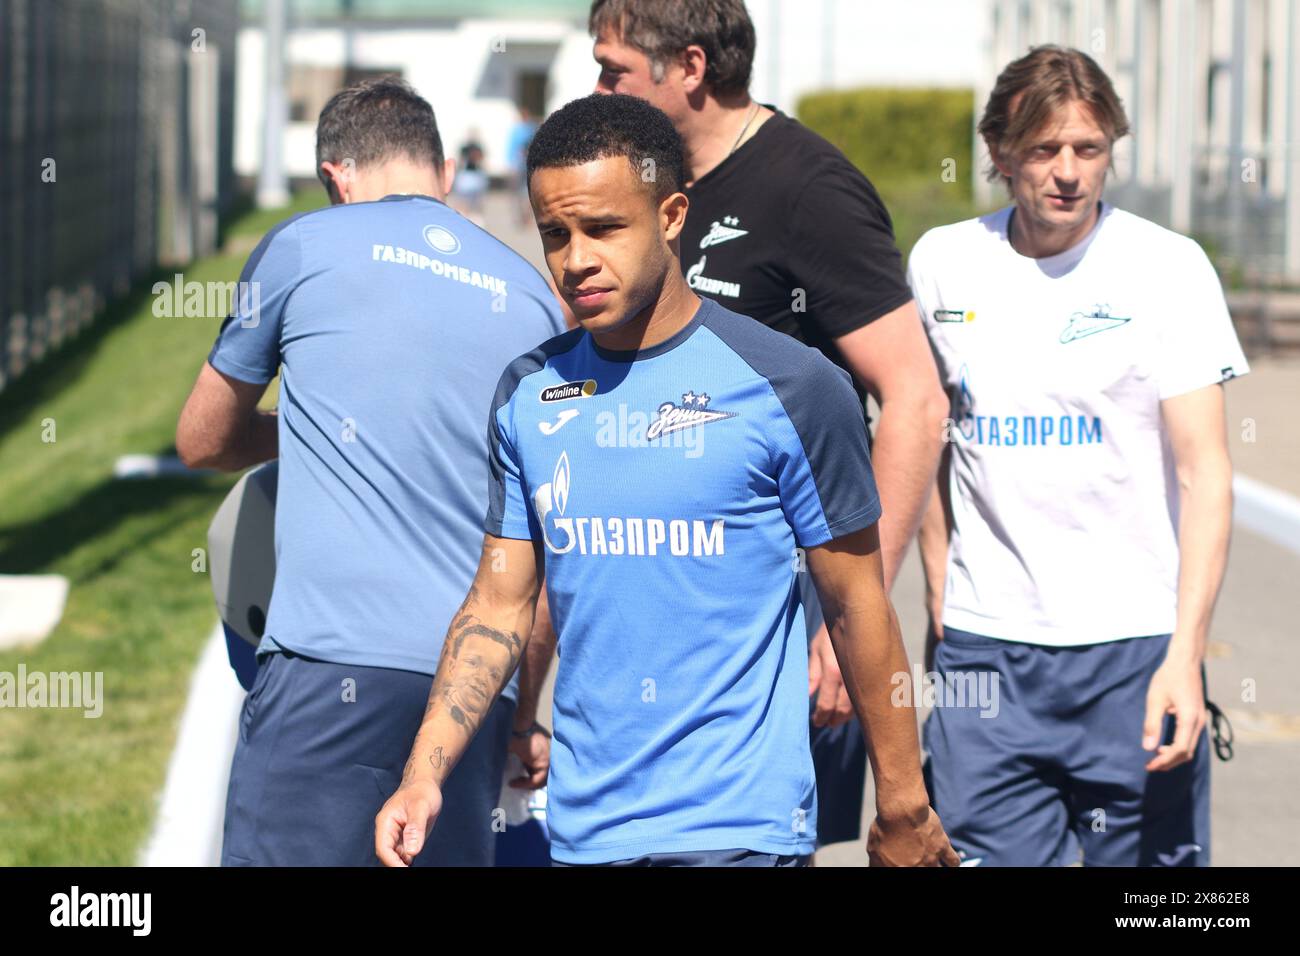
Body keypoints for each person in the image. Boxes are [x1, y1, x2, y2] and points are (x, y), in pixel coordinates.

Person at [374, 92, 957, 868]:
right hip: (588, 835)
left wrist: (903, 802)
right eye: (555, 234)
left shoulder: (792, 385)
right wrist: (423, 774)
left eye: (604, 227)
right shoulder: (528, 395)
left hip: (740, 829)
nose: (576, 257)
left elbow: (858, 604)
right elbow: (498, 606)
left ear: (673, 215)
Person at [586, 0, 949, 849]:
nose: (598, 86)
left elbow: (915, 398)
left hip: (785, 630)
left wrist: (844, 624)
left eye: (613, 70)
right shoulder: (654, 186)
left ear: (690, 68)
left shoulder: (807, 189)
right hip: (662, 634)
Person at [175, 76, 565, 866]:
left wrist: (323, 431)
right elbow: (543, 539)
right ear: (446, 173)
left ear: (335, 177)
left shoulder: (304, 245)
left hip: (329, 667)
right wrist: (522, 715)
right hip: (471, 688)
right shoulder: (535, 296)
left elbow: (202, 439)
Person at [910, 45, 1247, 866]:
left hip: (1132, 651)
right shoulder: (942, 263)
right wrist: (941, 612)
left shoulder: (1168, 268)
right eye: (1044, 150)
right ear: (999, 154)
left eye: (1089, 150)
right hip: (986, 653)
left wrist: (1185, 656)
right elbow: (926, 452)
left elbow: (1206, 475)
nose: (1068, 172)